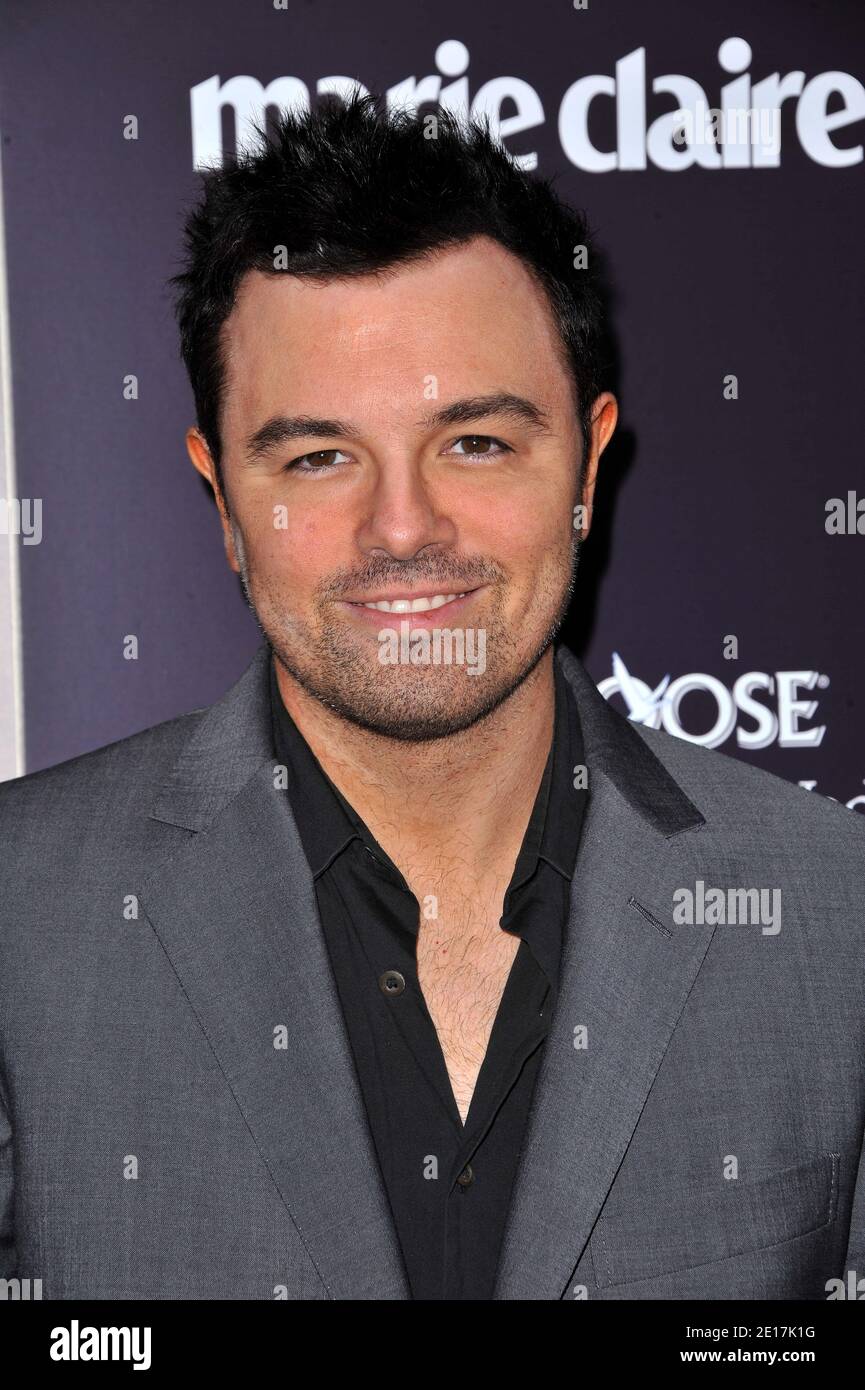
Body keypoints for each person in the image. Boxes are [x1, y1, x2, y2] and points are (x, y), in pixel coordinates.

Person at [0, 93, 862, 1301]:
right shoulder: (20, 918)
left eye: (476, 444)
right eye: (318, 457)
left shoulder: (834, 913)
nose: (402, 527)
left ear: (587, 461)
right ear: (222, 499)